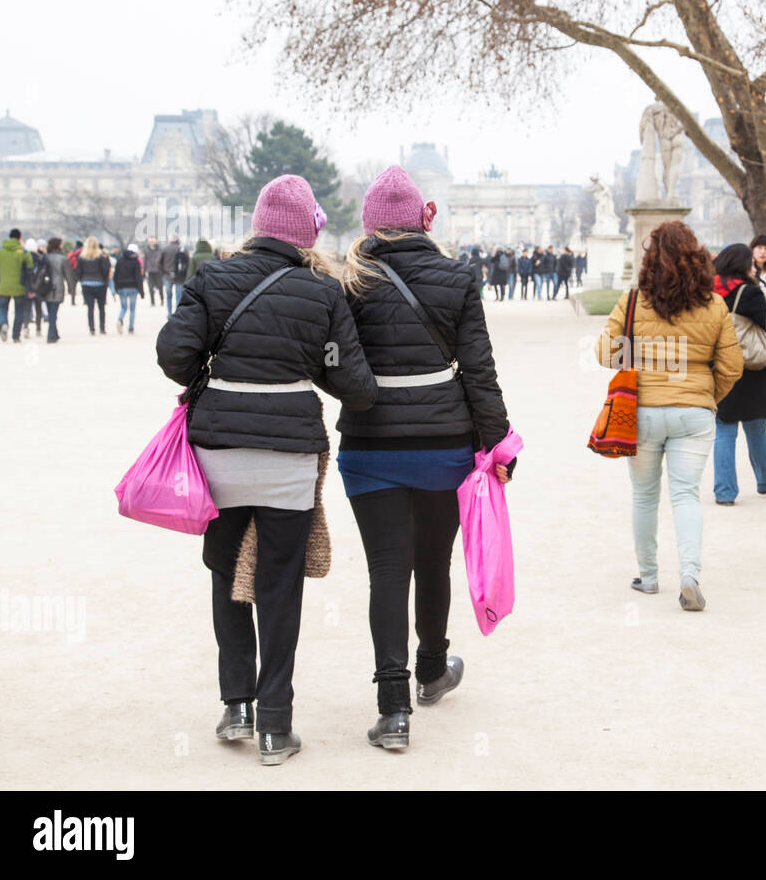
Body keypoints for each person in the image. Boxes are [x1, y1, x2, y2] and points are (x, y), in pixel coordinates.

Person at [156, 174, 377, 766]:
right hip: (288, 457)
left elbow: (174, 356)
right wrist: (308, 363)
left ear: (257, 225)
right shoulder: (324, 293)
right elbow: (355, 387)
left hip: (220, 452)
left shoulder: (212, 278)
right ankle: (276, 726)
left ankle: (236, 704)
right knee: (279, 584)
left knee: (227, 574)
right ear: (307, 235)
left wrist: (215, 372)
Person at [337, 166, 513, 750]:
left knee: (387, 569)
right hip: (443, 443)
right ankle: (432, 670)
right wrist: (498, 441)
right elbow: (480, 372)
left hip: (369, 442)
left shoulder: (349, 282)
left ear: (369, 224)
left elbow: (335, 366)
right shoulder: (457, 278)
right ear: (423, 218)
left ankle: (393, 709)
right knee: (433, 561)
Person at [595, 221, 743, 612]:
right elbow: (732, 366)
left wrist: (638, 356)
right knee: (686, 495)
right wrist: (707, 395)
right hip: (693, 412)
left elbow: (604, 354)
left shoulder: (632, 301)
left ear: (648, 259)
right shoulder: (715, 305)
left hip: (641, 410)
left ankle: (647, 575)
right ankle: (689, 575)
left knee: (644, 496)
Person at [711, 243, 766, 505]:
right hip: (751, 368)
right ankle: (765, 479)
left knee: (724, 430)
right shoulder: (749, 293)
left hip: (720, 367)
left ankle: (725, 491)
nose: (754, 267)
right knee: (756, 428)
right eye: (751, 264)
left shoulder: (709, 293)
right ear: (740, 265)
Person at [0, 229, 33, 342]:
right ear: (19, 238)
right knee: (19, 310)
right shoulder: (24, 252)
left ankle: (3, 323)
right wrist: (30, 287)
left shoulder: (0, 251)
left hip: (3, 286)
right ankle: (16, 335)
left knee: (2, 308)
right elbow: (30, 271)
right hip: (19, 287)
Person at [42, 238, 75, 343]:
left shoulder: (45, 257)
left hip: (45, 286)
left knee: (51, 312)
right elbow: (68, 275)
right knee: (53, 313)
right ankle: (51, 335)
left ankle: (54, 334)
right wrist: (71, 288)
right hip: (58, 287)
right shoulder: (63, 259)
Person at [77, 237, 111, 335]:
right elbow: (105, 269)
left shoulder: (82, 256)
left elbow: (78, 271)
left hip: (86, 283)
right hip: (99, 283)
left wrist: (81, 280)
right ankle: (102, 327)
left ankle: (92, 328)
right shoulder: (100, 256)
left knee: (90, 308)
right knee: (101, 307)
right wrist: (104, 280)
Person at [114, 243, 144, 334]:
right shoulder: (136, 261)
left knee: (123, 307)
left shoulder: (119, 260)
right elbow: (138, 277)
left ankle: (120, 319)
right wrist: (141, 291)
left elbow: (116, 275)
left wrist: (116, 287)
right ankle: (131, 328)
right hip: (133, 287)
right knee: (132, 309)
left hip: (121, 286)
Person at [161, 237, 188, 316]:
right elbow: (188, 262)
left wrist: (163, 273)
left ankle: (169, 313)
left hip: (168, 275)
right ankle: (177, 313)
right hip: (180, 276)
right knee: (179, 296)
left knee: (169, 295)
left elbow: (159, 262)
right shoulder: (183, 249)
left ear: (170, 240)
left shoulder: (165, 249)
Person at [25, 239, 45, 338]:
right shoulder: (40, 259)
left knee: (27, 309)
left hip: (27, 288)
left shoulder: (24, 258)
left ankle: (26, 328)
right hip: (38, 287)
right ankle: (38, 329)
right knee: (38, 309)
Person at [144, 237, 164, 305]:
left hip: (158, 270)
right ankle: (152, 301)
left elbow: (163, 260)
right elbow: (145, 260)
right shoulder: (146, 250)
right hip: (150, 271)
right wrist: (144, 270)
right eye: (150, 242)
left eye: (153, 241)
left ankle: (162, 300)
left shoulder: (160, 249)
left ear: (155, 242)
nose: (151, 243)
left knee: (160, 287)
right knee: (150, 287)